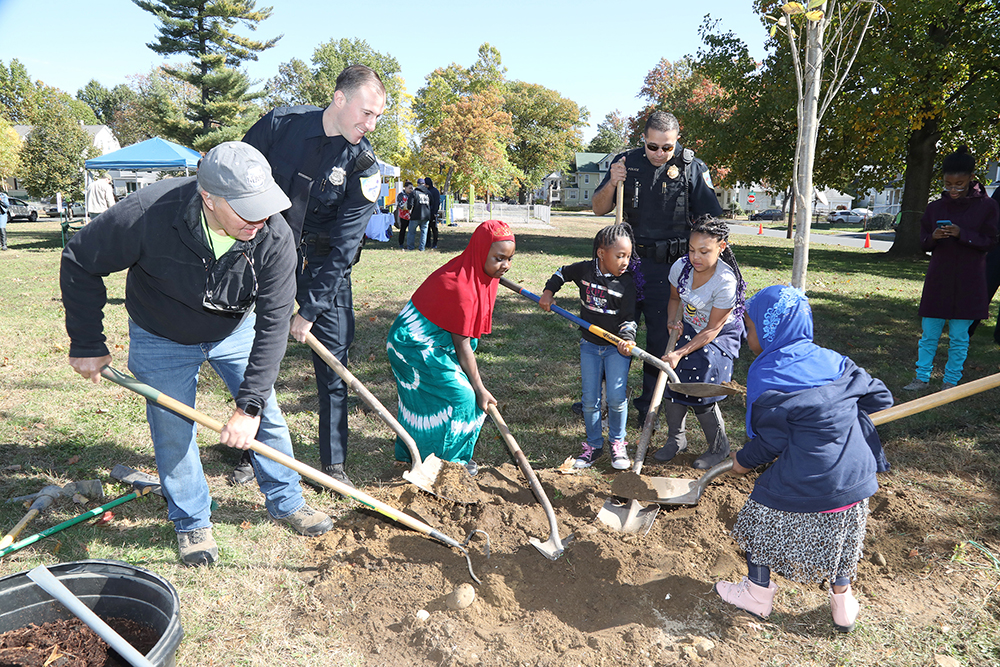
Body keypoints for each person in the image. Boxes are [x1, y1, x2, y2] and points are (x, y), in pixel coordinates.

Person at [60, 142, 333, 567]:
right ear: (209, 198)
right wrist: (87, 342)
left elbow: (274, 323)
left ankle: (287, 500)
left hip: (234, 330)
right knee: (174, 429)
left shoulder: (273, 234)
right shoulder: (149, 212)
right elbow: (80, 258)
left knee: (267, 418)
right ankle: (191, 521)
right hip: (160, 333)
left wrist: (250, 405)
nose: (259, 219)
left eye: (265, 206)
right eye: (247, 209)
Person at [238, 64, 386, 489]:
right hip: (263, 257)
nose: (369, 124)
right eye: (366, 112)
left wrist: (310, 310)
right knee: (253, 361)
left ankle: (333, 464)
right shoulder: (279, 126)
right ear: (339, 99)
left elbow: (345, 246)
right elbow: (238, 178)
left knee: (334, 365)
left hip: (324, 269)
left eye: (376, 117)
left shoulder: (365, 166)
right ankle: (253, 453)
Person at [715, 285, 893, 632]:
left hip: (810, 474)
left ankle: (756, 593)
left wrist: (742, 462)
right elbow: (881, 397)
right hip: (854, 476)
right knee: (845, 533)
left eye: (750, 328)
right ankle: (842, 603)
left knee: (758, 520)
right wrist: (845, 408)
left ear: (770, 331)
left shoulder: (767, 374)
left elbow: (771, 440)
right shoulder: (835, 360)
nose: (748, 336)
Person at [591, 111, 722, 427]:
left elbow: (712, 221)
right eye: (653, 147)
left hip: (671, 270)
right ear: (644, 140)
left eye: (667, 148)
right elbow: (598, 207)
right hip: (627, 265)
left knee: (660, 340)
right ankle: (601, 398)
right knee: (611, 331)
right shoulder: (625, 162)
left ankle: (647, 406)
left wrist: (704, 259)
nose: (660, 154)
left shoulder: (691, 168)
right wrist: (613, 181)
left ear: (677, 141)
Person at [386, 220, 515, 475]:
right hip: (412, 343)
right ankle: (452, 465)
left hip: (435, 340)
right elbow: (462, 344)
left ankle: (414, 454)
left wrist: (496, 269)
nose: (506, 266)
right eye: (499, 258)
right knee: (464, 397)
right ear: (481, 252)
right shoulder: (462, 287)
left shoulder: (476, 268)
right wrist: (480, 388)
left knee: (434, 399)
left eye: (510, 259)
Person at [539, 223, 638, 470]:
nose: (625, 261)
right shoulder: (584, 271)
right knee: (589, 400)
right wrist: (549, 292)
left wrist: (627, 338)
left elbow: (629, 317)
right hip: (590, 346)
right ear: (601, 254)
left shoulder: (627, 283)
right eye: (620, 256)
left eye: (628, 255)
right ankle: (593, 445)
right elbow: (562, 273)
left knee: (616, 397)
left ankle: (617, 444)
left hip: (616, 348)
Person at [902, 146, 999, 391]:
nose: (953, 189)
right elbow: (923, 242)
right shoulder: (935, 208)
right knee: (929, 335)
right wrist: (933, 237)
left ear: (971, 179)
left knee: (959, 337)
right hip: (939, 278)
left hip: (969, 280)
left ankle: (951, 381)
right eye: (948, 184)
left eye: (959, 184)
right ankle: (921, 377)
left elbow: (990, 241)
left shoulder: (987, 207)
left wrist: (962, 234)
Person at [653, 216, 746, 469]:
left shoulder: (726, 282)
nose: (696, 257)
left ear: (722, 247)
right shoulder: (681, 267)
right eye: (692, 250)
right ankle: (676, 440)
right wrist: (673, 321)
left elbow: (713, 328)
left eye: (704, 251)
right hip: (691, 325)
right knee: (674, 377)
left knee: (699, 378)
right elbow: (674, 299)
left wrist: (680, 352)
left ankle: (719, 447)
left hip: (720, 334)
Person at [406, 179, 433, 251]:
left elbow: (409, 205)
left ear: (417, 184)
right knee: (424, 233)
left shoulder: (414, 193)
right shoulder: (428, 193)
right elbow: (431, 204)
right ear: (424, 184)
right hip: (426, 216)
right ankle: (422, 248)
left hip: (415, 215)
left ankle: (410, 247)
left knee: (411, 232)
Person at [425, 176, 441, 249]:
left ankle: (435, 243)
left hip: (432, 212)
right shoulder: (426, 190)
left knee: (434, 228)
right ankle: (427, 242)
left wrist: (435, 212)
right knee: (427, 228)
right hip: (426, 212)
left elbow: (437, 202)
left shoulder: (435, 191)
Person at [396, 180, 413, 248]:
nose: (411, 190)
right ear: (405, 187)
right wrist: (407, 206)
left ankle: (410, 244)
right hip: (403, 216)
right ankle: (401, 243)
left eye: (412, 188)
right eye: (410, 188)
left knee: (411, 231)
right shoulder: (401, 195)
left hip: (411, 215)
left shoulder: (412, 194)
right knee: (403, 230)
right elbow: (400, 205)